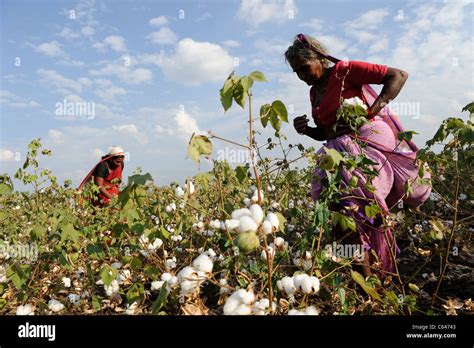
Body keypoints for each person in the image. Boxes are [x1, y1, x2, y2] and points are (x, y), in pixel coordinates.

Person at [285, 34, 432, 277]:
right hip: (336, 150)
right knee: (335, 212)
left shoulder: (346, 71)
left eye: (304, 68)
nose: (302, 76)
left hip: (367, 138)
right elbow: (328, 133)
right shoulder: (314, 93)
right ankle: (365, 281)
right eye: (297, 72)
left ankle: (372, 281)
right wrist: (307, 130)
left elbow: (398, 75)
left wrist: (370, 111)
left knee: (354, 206)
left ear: (320, 59)